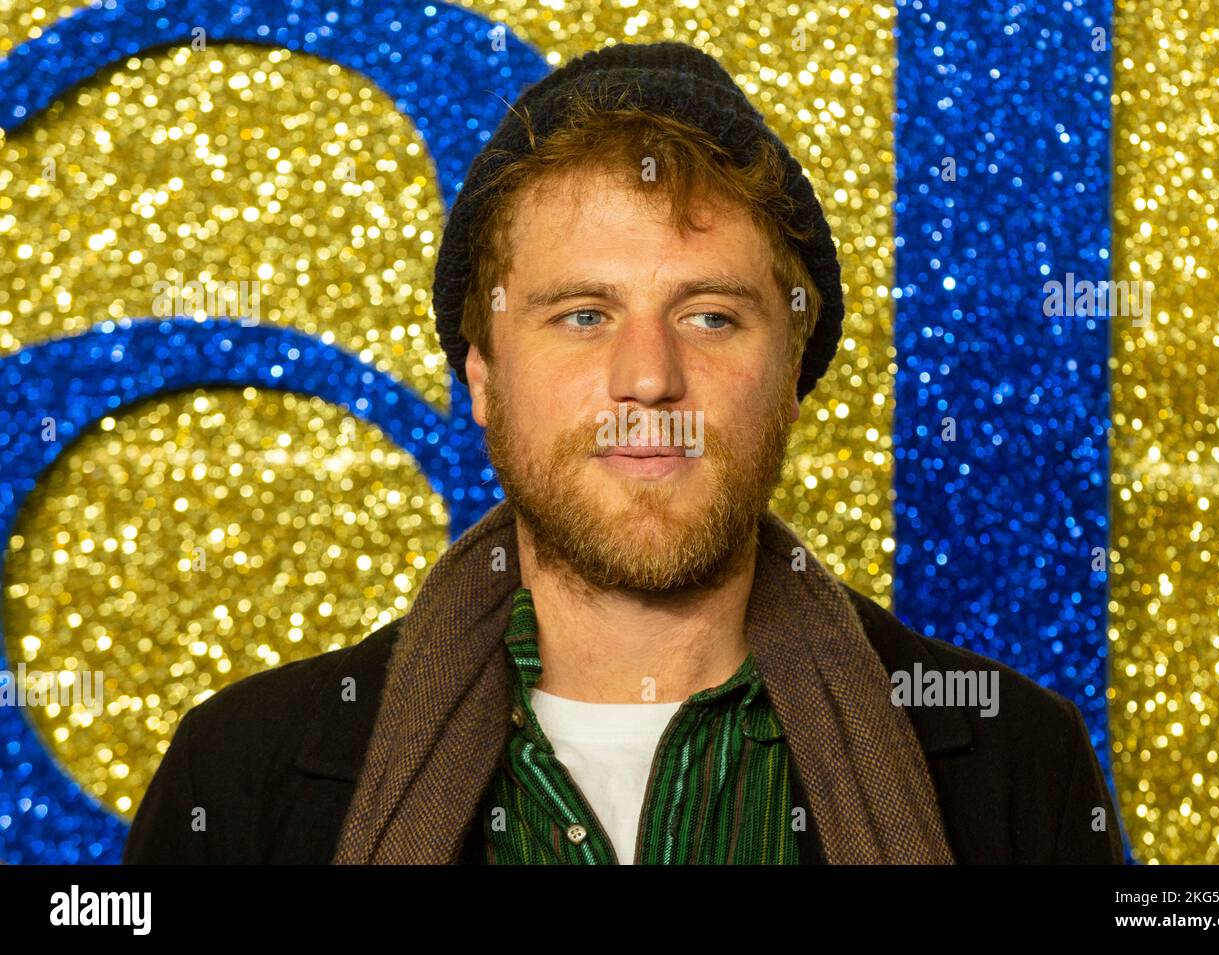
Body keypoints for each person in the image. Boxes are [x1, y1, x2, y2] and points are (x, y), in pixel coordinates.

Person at [123, 40, 1126, 865]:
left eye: (712, 316)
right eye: (583, 313)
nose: (647, 378)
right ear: (481, 373)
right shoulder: (242, 776)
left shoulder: (1016, 766)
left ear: (790, 372)